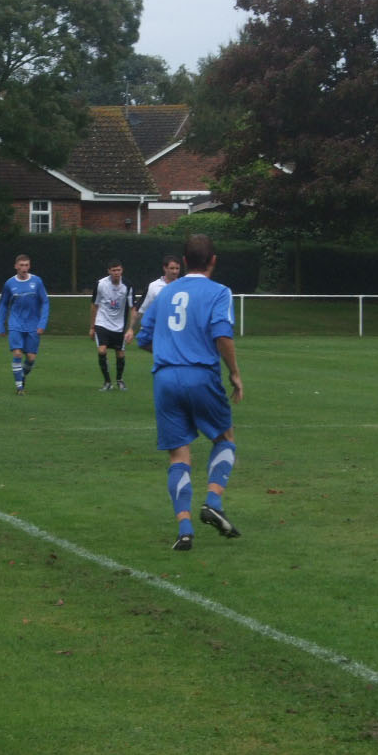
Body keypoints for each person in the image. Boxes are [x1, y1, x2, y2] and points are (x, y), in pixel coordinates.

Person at [135, 233, 244, 551]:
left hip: (166, 378)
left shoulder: (167, 293)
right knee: (225, 438)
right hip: (201, 375)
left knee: (178, 454)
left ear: (183, 262)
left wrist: (171, 352)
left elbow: (144, 339)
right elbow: (222, 335)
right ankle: (212, 501)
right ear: (213, 261)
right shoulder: (219, 292)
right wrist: (235, 373)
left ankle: (184, 530)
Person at [0, 254, 49, 395]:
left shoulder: (37, 282)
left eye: (26, 265)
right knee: (18, 353)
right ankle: (19, 387)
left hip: (33, 324)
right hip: (15, 323)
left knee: (31, 358)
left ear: (29, 266)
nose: (24, 268)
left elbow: (45, 302)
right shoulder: (9, 284)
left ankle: (21, 376)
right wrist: (0, 325)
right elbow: (3, 304)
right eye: (21, 265)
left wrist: (42, 323)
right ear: (16, 266)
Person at [89, 260, 134, 391]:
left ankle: (119, 379)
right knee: (102, 350)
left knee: (120, 354)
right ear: (109, 271)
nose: (116, 273)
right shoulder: (101, 284)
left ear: (122, 270)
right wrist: (92, 327)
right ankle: (107, 382)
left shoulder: (128, 285)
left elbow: (132, 307)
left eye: (118, 270)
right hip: (102, 322)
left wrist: (130, 328)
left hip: (119, 325)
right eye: (114, 270)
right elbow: (94, 305)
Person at [129, 254, 181, 336]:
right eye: (172, 268)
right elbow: (141, 310)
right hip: (158, 332)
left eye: (177, 268)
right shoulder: (154, 286)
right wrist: (131, 329)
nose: (175, 271)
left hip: (177, 333)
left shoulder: (183, 287)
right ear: (165, 268)